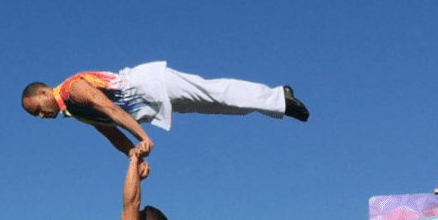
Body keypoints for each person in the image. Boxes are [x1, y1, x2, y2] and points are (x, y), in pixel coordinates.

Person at [22, 61, 309, 160]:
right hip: (152, 103)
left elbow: (111, 110)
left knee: (213, 91)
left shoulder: (73, 89)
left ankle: (279, 97)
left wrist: (142, 138)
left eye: (37, 109)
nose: (41, 116)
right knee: (218, 106)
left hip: (152, 84)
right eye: (36, 116)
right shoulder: (73, 111)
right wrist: (132, 154)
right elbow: (110, 132)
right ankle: (275, 103)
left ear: (45, 92)